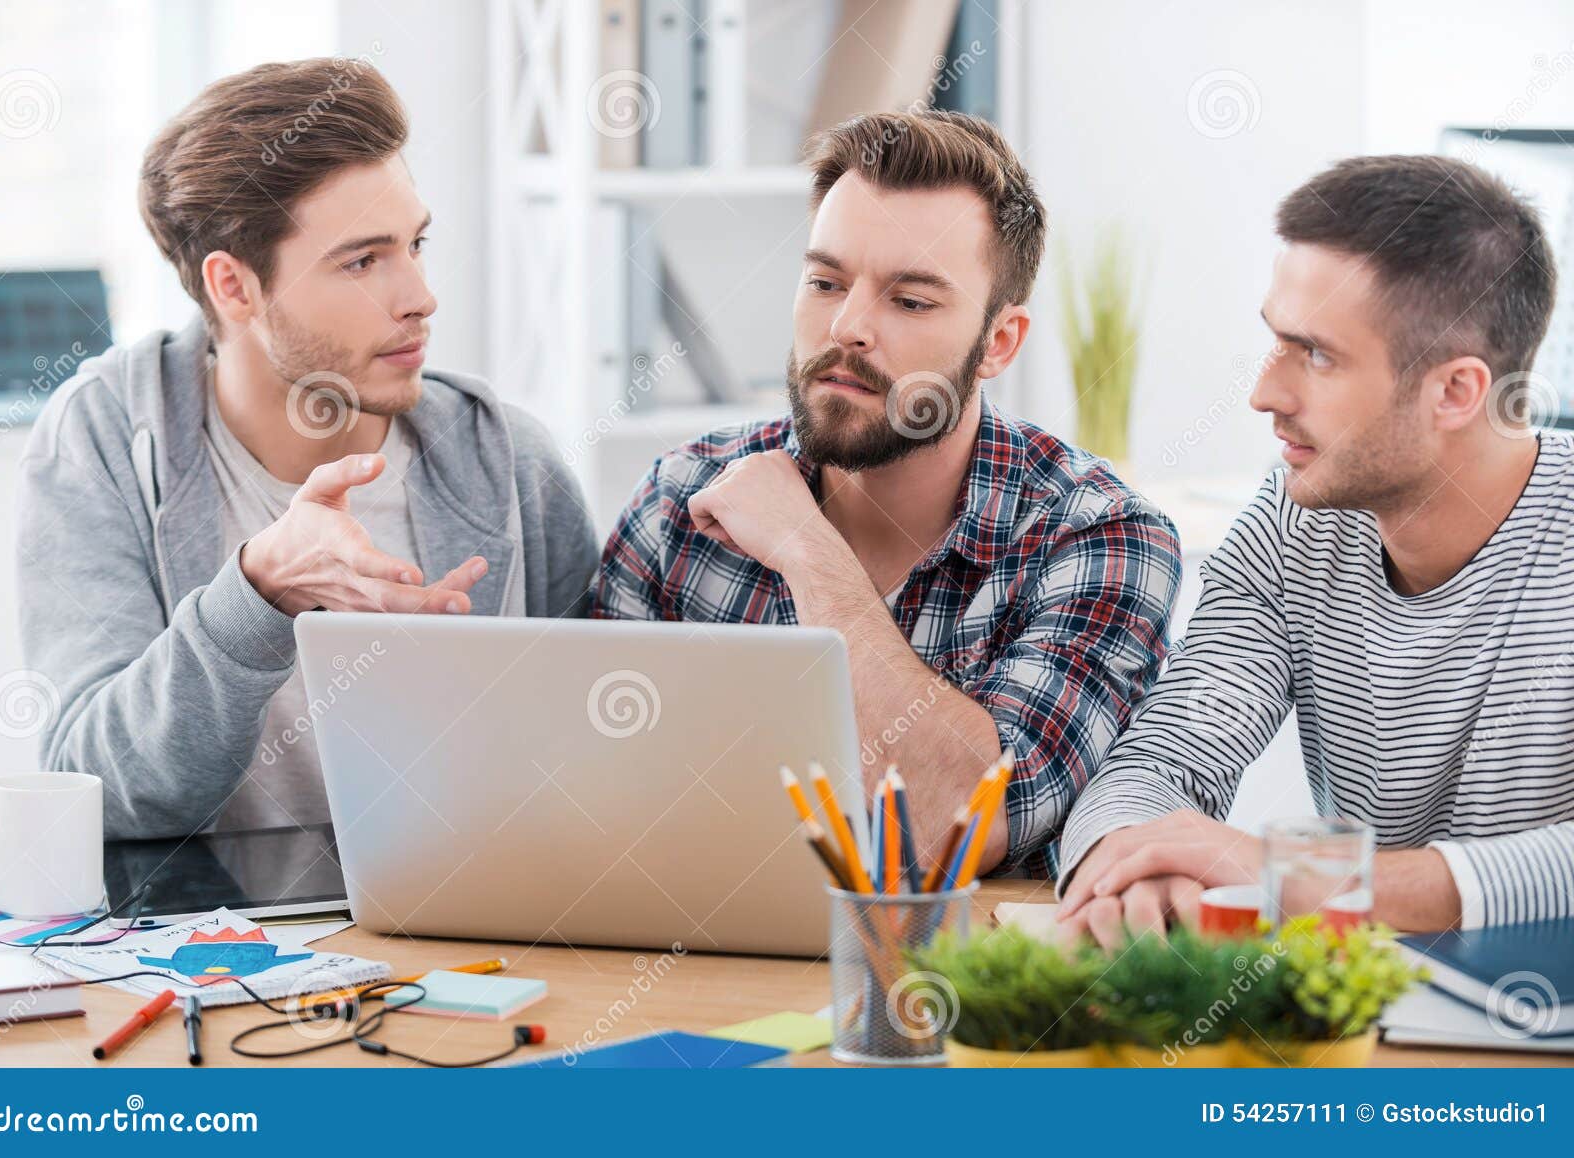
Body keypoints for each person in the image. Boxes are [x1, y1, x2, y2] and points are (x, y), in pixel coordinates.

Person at [18, 59, 597, 840]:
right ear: (235, 288)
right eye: (362, 261)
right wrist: (256, 593)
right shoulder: (103, 442)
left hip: (467, 945)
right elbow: (94, 794)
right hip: (211, 955)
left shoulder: (510, 461)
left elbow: (603, 771)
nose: (420, 295)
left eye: (415, 244)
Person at [592, 110, 1182, 875]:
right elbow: (595, 814)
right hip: (696, 974)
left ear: (998, 342)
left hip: (958, 989)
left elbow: (952, 830)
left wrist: (807, 550)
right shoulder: (678, 504)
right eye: (824, 282)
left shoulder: (1099, 537)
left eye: (910, 301)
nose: (847, 327)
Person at [1058, 154, 1572, 943]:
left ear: (1457, 392)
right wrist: (1139, 861)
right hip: (1372, 1024)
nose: (1267, 393)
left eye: (1318, 355)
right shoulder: (1293, 524)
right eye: (1276, 342)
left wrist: (1283, 872)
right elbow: (1167, 754)